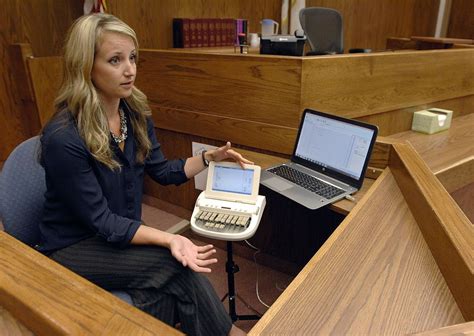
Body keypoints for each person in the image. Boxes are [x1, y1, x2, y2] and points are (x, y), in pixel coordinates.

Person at [38, 13, 249, 336]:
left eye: (133, 57)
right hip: (74, 246)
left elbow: (162, 171)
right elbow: (102, 222)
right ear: (85, 67)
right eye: (115, 60)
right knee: (173, 267)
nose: (130, 70)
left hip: (121, 230)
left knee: (167, 283)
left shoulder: (132, 111)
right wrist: (170, 238)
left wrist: (209, 158)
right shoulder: (64, 136)